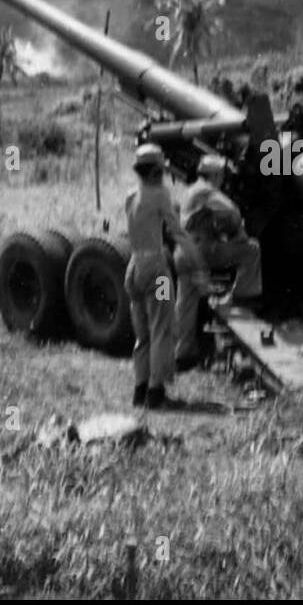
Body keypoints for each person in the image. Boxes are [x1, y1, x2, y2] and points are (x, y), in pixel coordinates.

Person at [124, 144, 203, 410]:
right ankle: (156, 394)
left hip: (133, 268)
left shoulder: (130, 196)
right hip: (156, 270)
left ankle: (140, 390)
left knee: (142, 333)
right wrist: (197, 260)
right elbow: (177, 233)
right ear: (157, 170)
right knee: (162, 328)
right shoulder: (160, 195)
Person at [174, 154, 264, 370]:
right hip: (203, 252)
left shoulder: (191, 189)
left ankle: (183, 353)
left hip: (184, 254)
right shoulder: (207, 190)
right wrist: (237, 234)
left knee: (185, 303)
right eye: (221, 175)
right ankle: (239, 298)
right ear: (214, 175)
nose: (223, 179)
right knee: (251, 250)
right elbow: (231, 210)